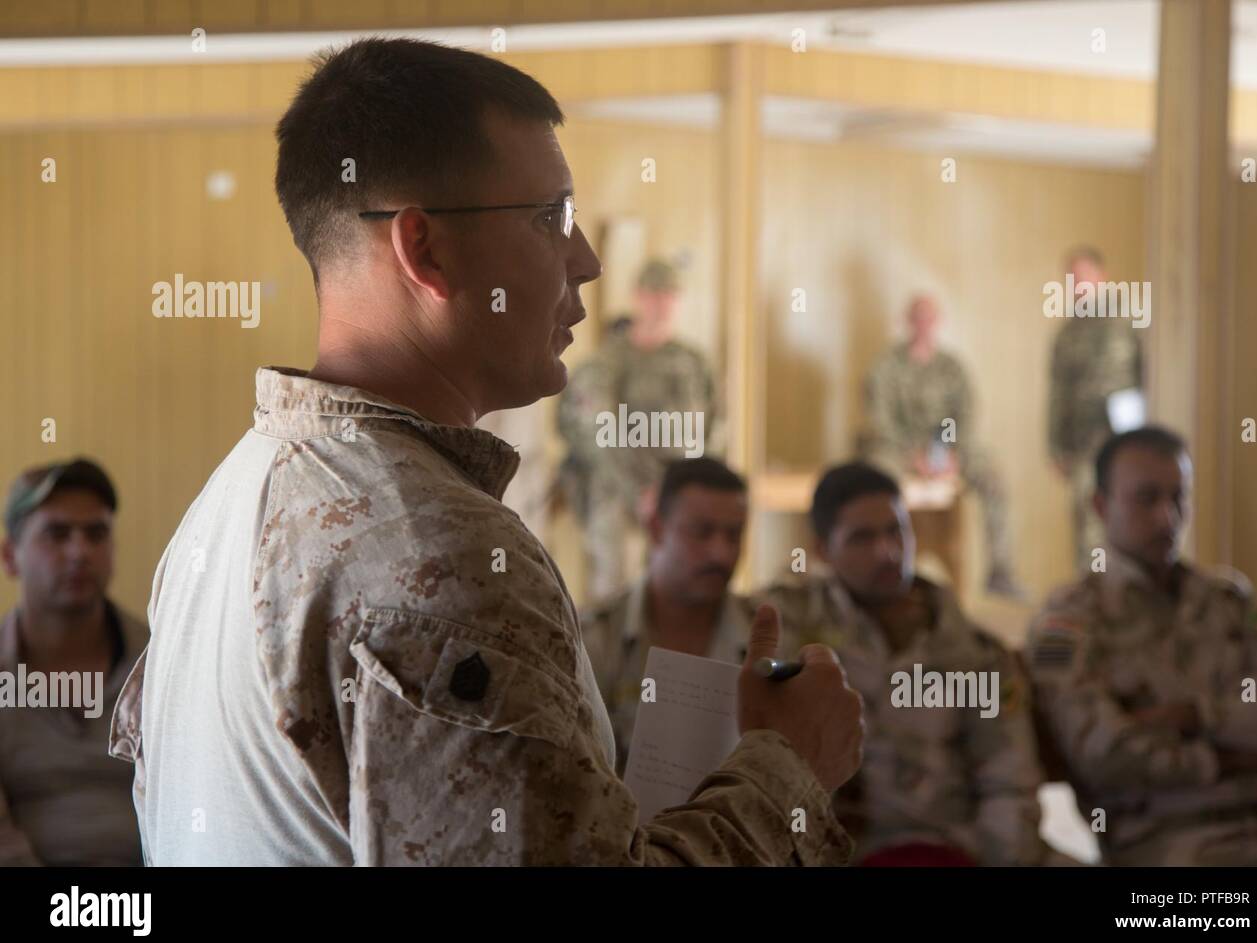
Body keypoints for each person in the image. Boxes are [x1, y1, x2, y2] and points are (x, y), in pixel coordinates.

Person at [108, 37, 862, 866]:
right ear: (424, 249)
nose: (587, 261)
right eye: (552, 220)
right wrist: (789, 766)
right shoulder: (436, 551)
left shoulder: (222, 506)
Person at [1026, 426, 1257, 865]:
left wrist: (1195, 716)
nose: (1168, 518)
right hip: (1169, 842)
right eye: (1147, 499)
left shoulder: (1230, 600)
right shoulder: (1069, 622)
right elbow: (1104, 755)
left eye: (1179, 498)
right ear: (1100, 505)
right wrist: (1222, 760)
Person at [757, 463, 1047, 866]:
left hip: (961, 851)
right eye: (862, 538)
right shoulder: (796, 632)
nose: (888, 552)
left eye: (896, 530)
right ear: (822, 550)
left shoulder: (973, 650)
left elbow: (1009, 784)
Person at [0, 458, 147, 865]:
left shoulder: (159, 663)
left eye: (96, 534)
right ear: (10, 557)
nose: (80, 552)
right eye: (57, 534)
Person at [556, 258, 722, 602]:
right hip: (619, 501)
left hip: (680, 503)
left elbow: (715, 434)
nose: (661, 304)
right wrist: (643, 493)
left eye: (669, 294)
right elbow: (594, 439)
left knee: (683, 599)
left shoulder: (694, 364)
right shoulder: (605, 364)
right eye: (653, 294)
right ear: (637, 297)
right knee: (614, 603)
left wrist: (682, 493)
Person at [582, 457, 756, 774]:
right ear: (656, 528)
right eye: (702, 532)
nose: (721, 553)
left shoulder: (766, 638)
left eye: (734, 535)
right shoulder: (595, 640)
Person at [862, 294, 1020, 597]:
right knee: (877, 475)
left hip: (945, 450)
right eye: (917, 317)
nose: (923, 324)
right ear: (908, 322)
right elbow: (882, 420)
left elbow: (965, 415)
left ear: (937, 322)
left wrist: (948, 452)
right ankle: (883, 564)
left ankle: (1000, 571)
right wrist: (913, 456)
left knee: (992, 474)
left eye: (929, 317)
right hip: (900, 450)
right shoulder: (887, 367)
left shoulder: (952, 368)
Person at [1047, 246, 1144, 571]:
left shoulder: (1130, 319)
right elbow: (1057, 393)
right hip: (1084, 443)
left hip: (1127, 439)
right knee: (1087, 518)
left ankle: (1131, 595)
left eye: (1083, 277)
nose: (1078, 285)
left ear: (1101, 277)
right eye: (1072, 279)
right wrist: (1056, 446)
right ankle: (1092, 596)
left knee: (1133, 513)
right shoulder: (1067, 335)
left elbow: (1151, 374)